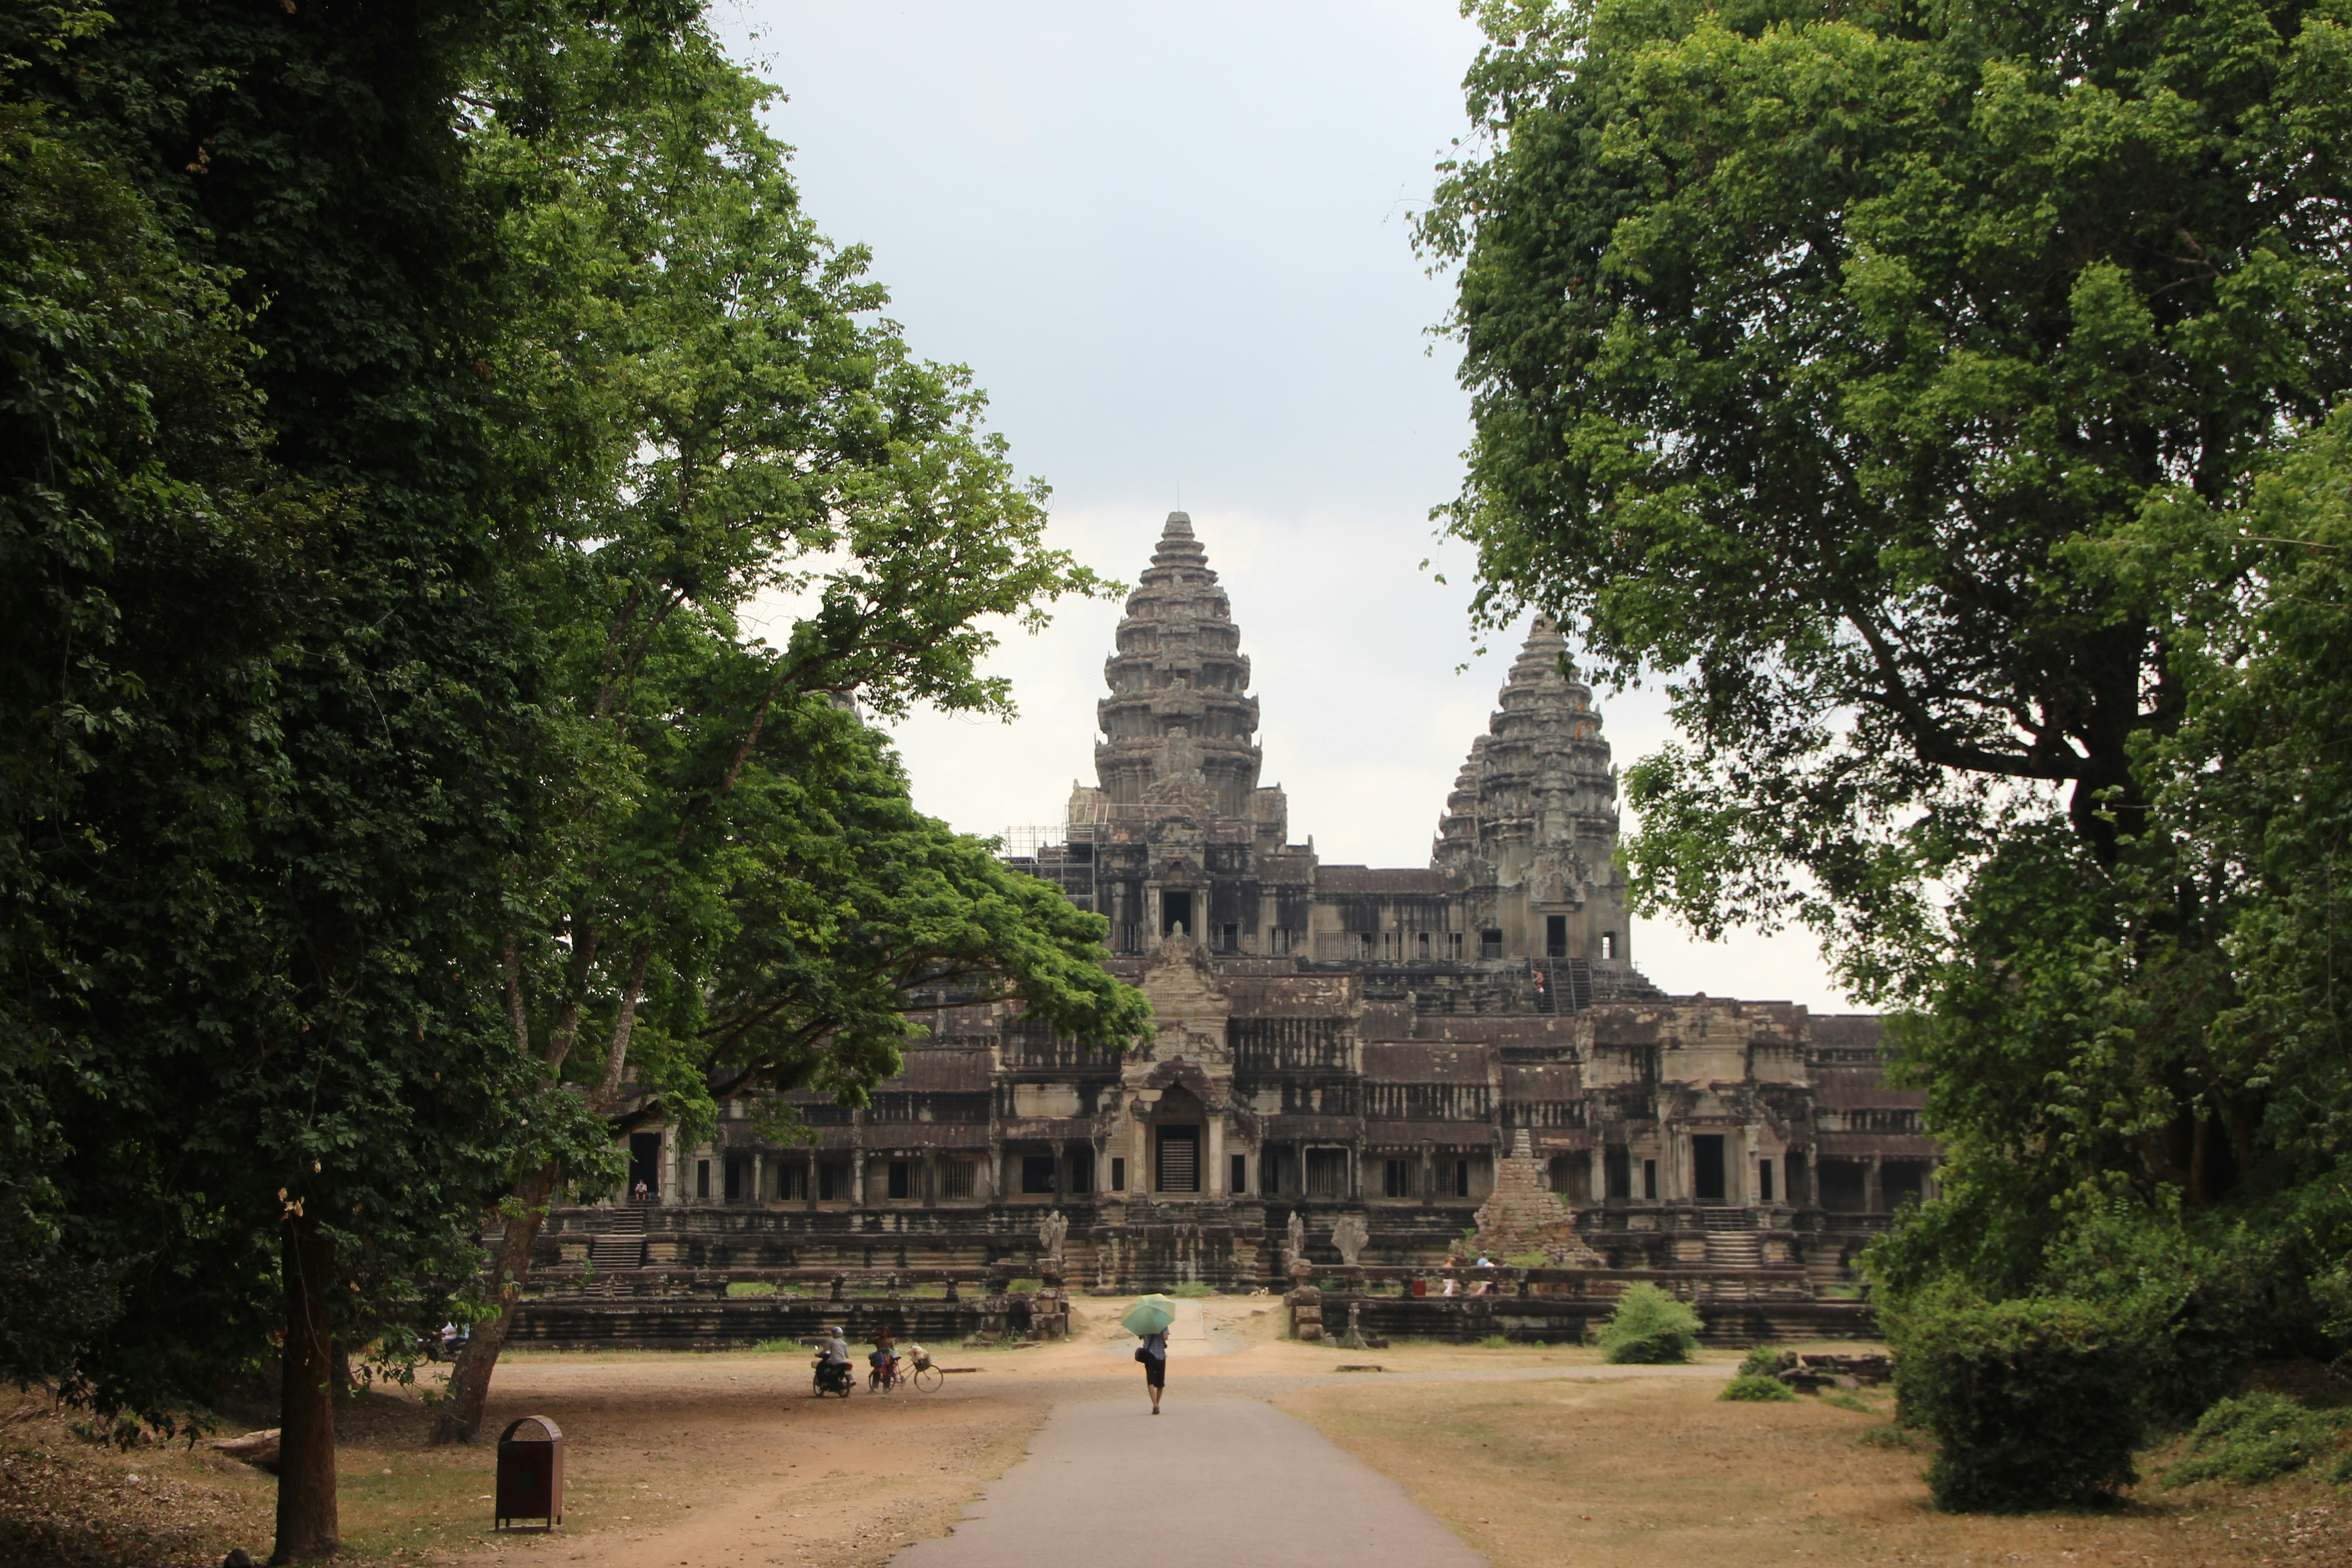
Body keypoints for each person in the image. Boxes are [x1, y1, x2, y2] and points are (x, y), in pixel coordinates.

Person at [1137, 1324, 1168, 1414]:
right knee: (1160, 1383)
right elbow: (1165, 1337)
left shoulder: (1144, 1325)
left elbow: (1140, 1337)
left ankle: (1155, 1405)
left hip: (1149, 1357)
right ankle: (1157, 1404)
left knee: (1150, 1380)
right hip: (1161, 1356)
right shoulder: (1163, 1324)